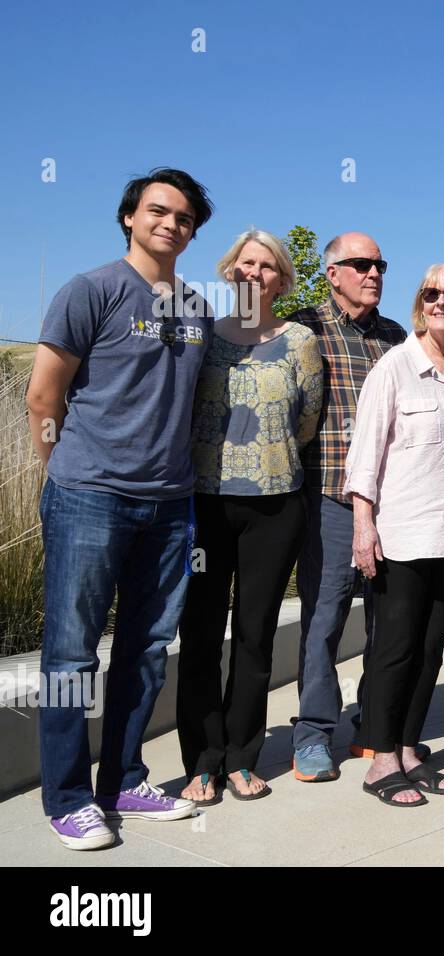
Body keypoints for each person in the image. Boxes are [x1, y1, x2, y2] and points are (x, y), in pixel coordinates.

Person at [26, 168, 214, 849]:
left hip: (168, 507)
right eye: (158, 210)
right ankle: (69, 796)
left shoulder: (195, 307)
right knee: (72, 655)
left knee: (147, 651)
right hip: (89, 497)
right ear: (130, 217)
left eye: (185, 217)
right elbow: (44, 396)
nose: (171, 223)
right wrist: (66, 481)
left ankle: (124, 779)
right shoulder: (92, 290)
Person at [178, 230, 323, 804]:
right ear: (229, 270)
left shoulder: (300, 340)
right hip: (204, 505)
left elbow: (306, 419)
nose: (254, 274)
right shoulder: (201, 338)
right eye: (245, 263)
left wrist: (266, 458)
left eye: (267, 267)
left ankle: (242, 757)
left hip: (275, 506)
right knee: (201, 633)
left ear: (281, 280)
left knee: (256, 635)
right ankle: (202, 761)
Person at [344, 264, 444, 805]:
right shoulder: (393, 368)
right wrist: (363, 525)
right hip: (401, 532)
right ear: (420, 302)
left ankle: (407, 747)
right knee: (394, 648)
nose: (441, 302)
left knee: (431, 647)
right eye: (431, 293)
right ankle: (380, 759)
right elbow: (366, 454)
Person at [288, 233, 407, 782]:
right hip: (331, 497)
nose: (373, 273)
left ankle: (372, 724)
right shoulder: (304, 330)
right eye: (360, 264)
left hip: (395, 500)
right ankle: (313, 732)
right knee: (325, 617)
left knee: (388, 621)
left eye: (379, 264)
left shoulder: (396, 336)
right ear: (332, 272)